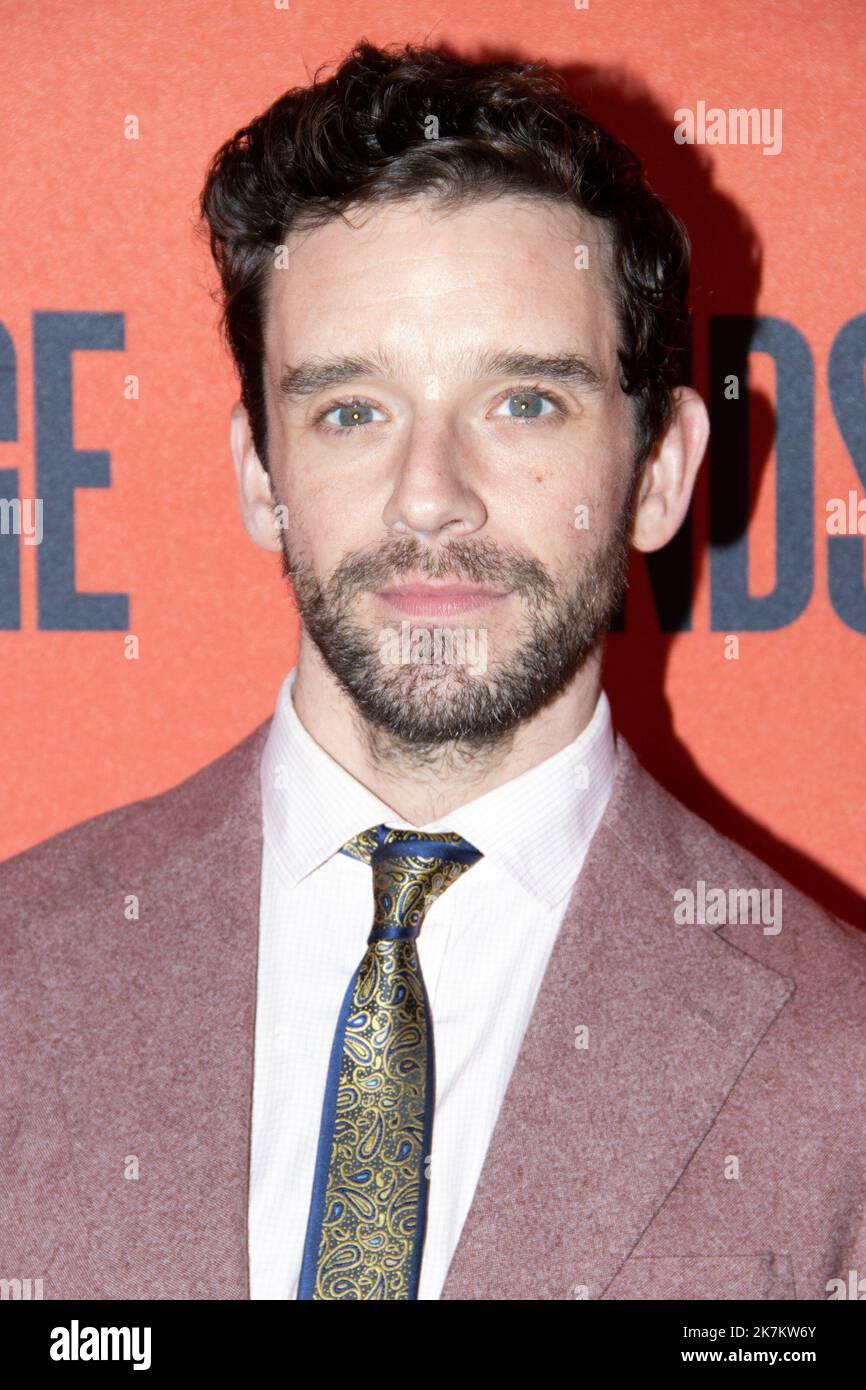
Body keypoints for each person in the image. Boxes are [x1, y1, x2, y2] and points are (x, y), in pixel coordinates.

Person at [2, 41, 863, 1303]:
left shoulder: (835, 1070)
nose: (429, 497)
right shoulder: (22, 976)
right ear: (259, 473)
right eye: (350, 410)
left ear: (661, 471)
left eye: (523, 402)